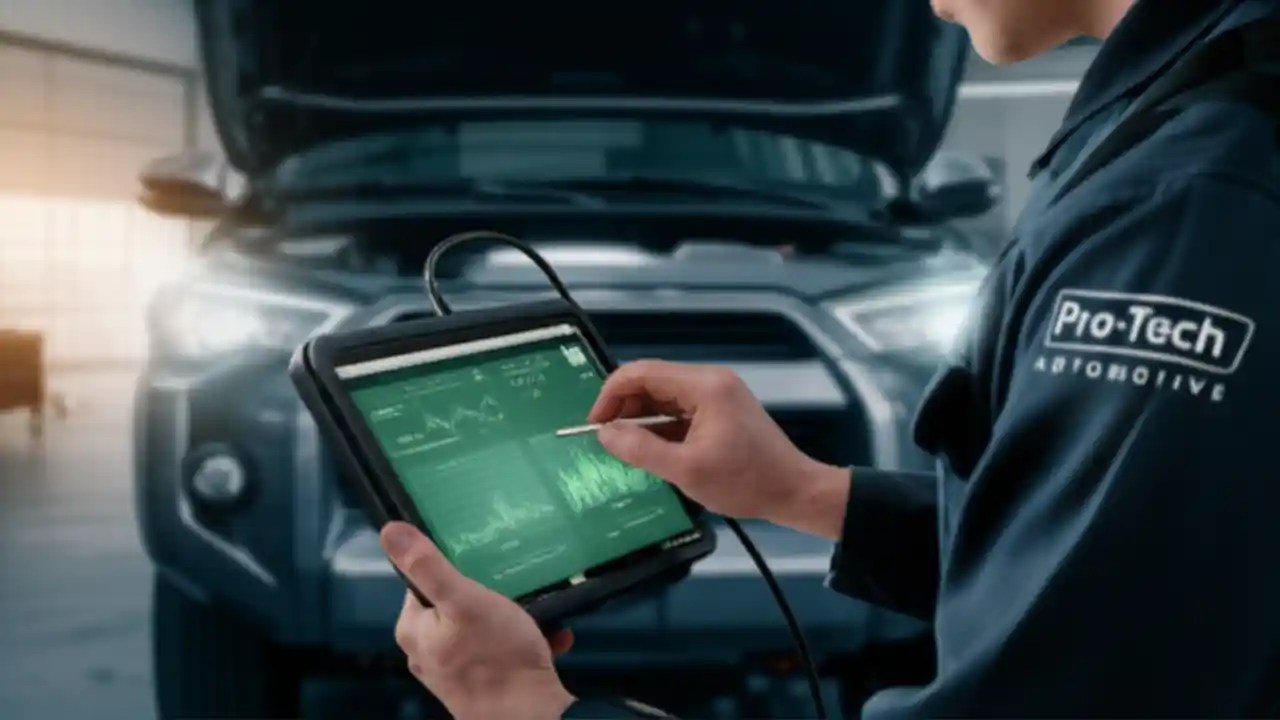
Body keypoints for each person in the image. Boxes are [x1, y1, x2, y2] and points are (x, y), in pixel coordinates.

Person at [379, 0, 1280, 716]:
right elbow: (1154, 569)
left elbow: (1059, 678)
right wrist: (804, 493)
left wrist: (527, 707)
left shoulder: (1189, 203)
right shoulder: (1191, 117)